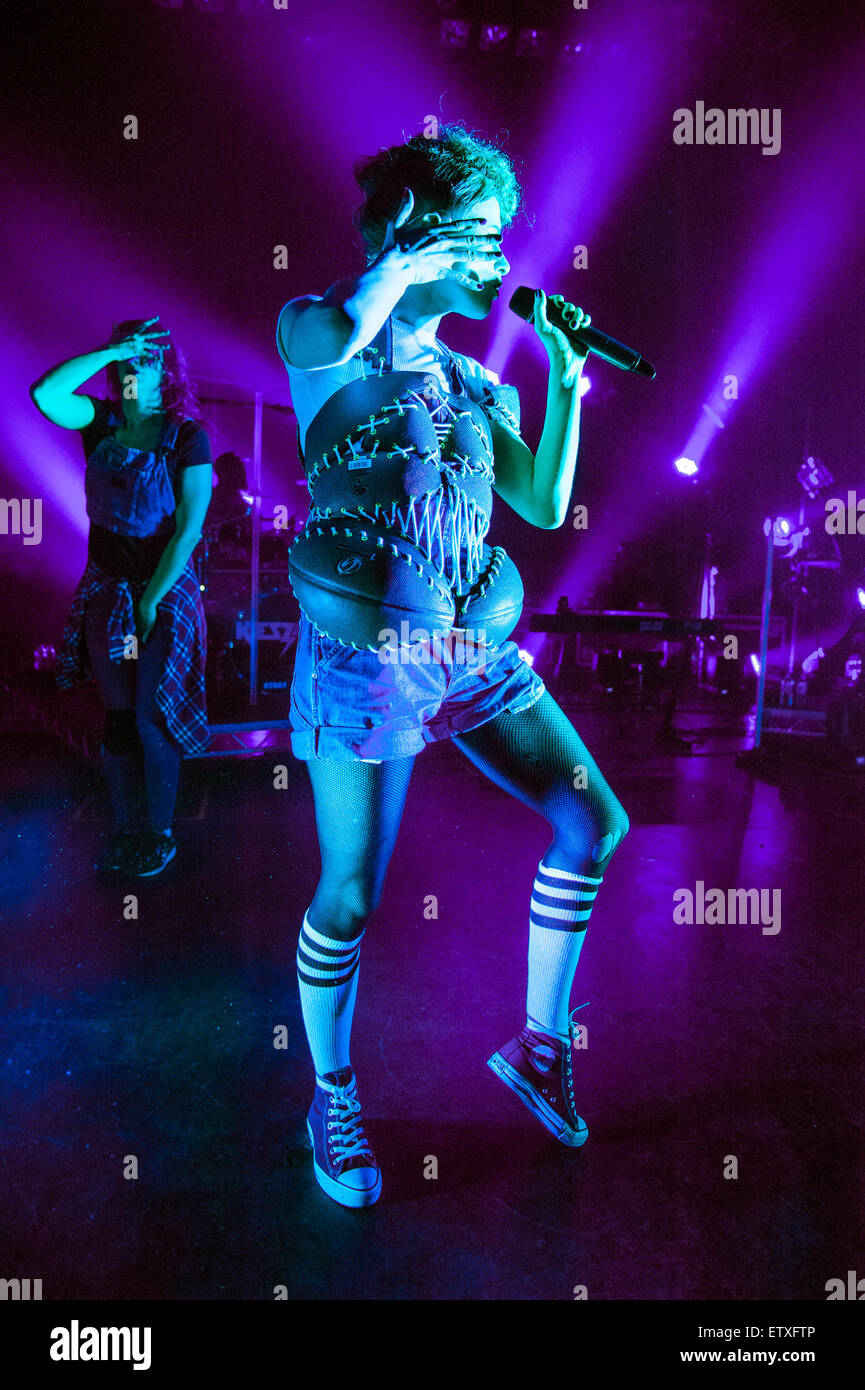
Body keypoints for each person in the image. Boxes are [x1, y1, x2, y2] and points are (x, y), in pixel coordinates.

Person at [277, 126, 629, 1208]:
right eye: (478, 235)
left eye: (499, 238)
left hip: (468, 642)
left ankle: (536, 1046)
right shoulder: (323, 330)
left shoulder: (481, 380)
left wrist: (566, 384)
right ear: (409, 231)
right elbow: (337, 325)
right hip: (364, 655)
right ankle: (330, 1090)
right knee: (353, 889)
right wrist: (405, 259)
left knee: (592, 823)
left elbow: (540, 504)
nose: (498, 261)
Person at [30, 318, 213, 876]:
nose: (136, 368)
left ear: (168, 369)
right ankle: (126, 828)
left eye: (147, 357)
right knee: (117, 717)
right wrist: (108, 348)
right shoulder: (101, 423)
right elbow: (45, 394)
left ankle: (156, 832)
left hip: (164, 591)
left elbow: (188, 528)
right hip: (108, 591)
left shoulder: (185, 436)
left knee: (150, 712)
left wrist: (152, 599)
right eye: (128, 360)